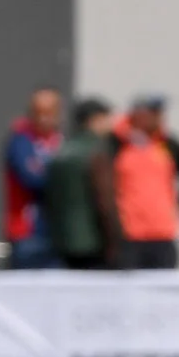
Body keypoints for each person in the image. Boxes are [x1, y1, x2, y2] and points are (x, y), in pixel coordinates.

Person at [112, 93, 179, 270]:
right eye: (153, 112)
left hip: (162, 236)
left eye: (160, 113)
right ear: (137, 114)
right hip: (130, 236)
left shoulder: (166, 144)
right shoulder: (117, 143)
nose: (158, 118)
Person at [43, 97, 121, 270]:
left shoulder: (61, 150)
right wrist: (116, 241)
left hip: (62, 241)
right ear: (95, 119)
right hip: (92, 243)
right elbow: (105, 202)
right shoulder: (97, 151)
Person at [1, 88, 64, 268]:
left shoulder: (59, 140)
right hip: (28, 232)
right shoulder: (21, 141)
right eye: (39, 112)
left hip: (55, 231)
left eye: (50, 112)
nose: (44, 118)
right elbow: (32, 179)